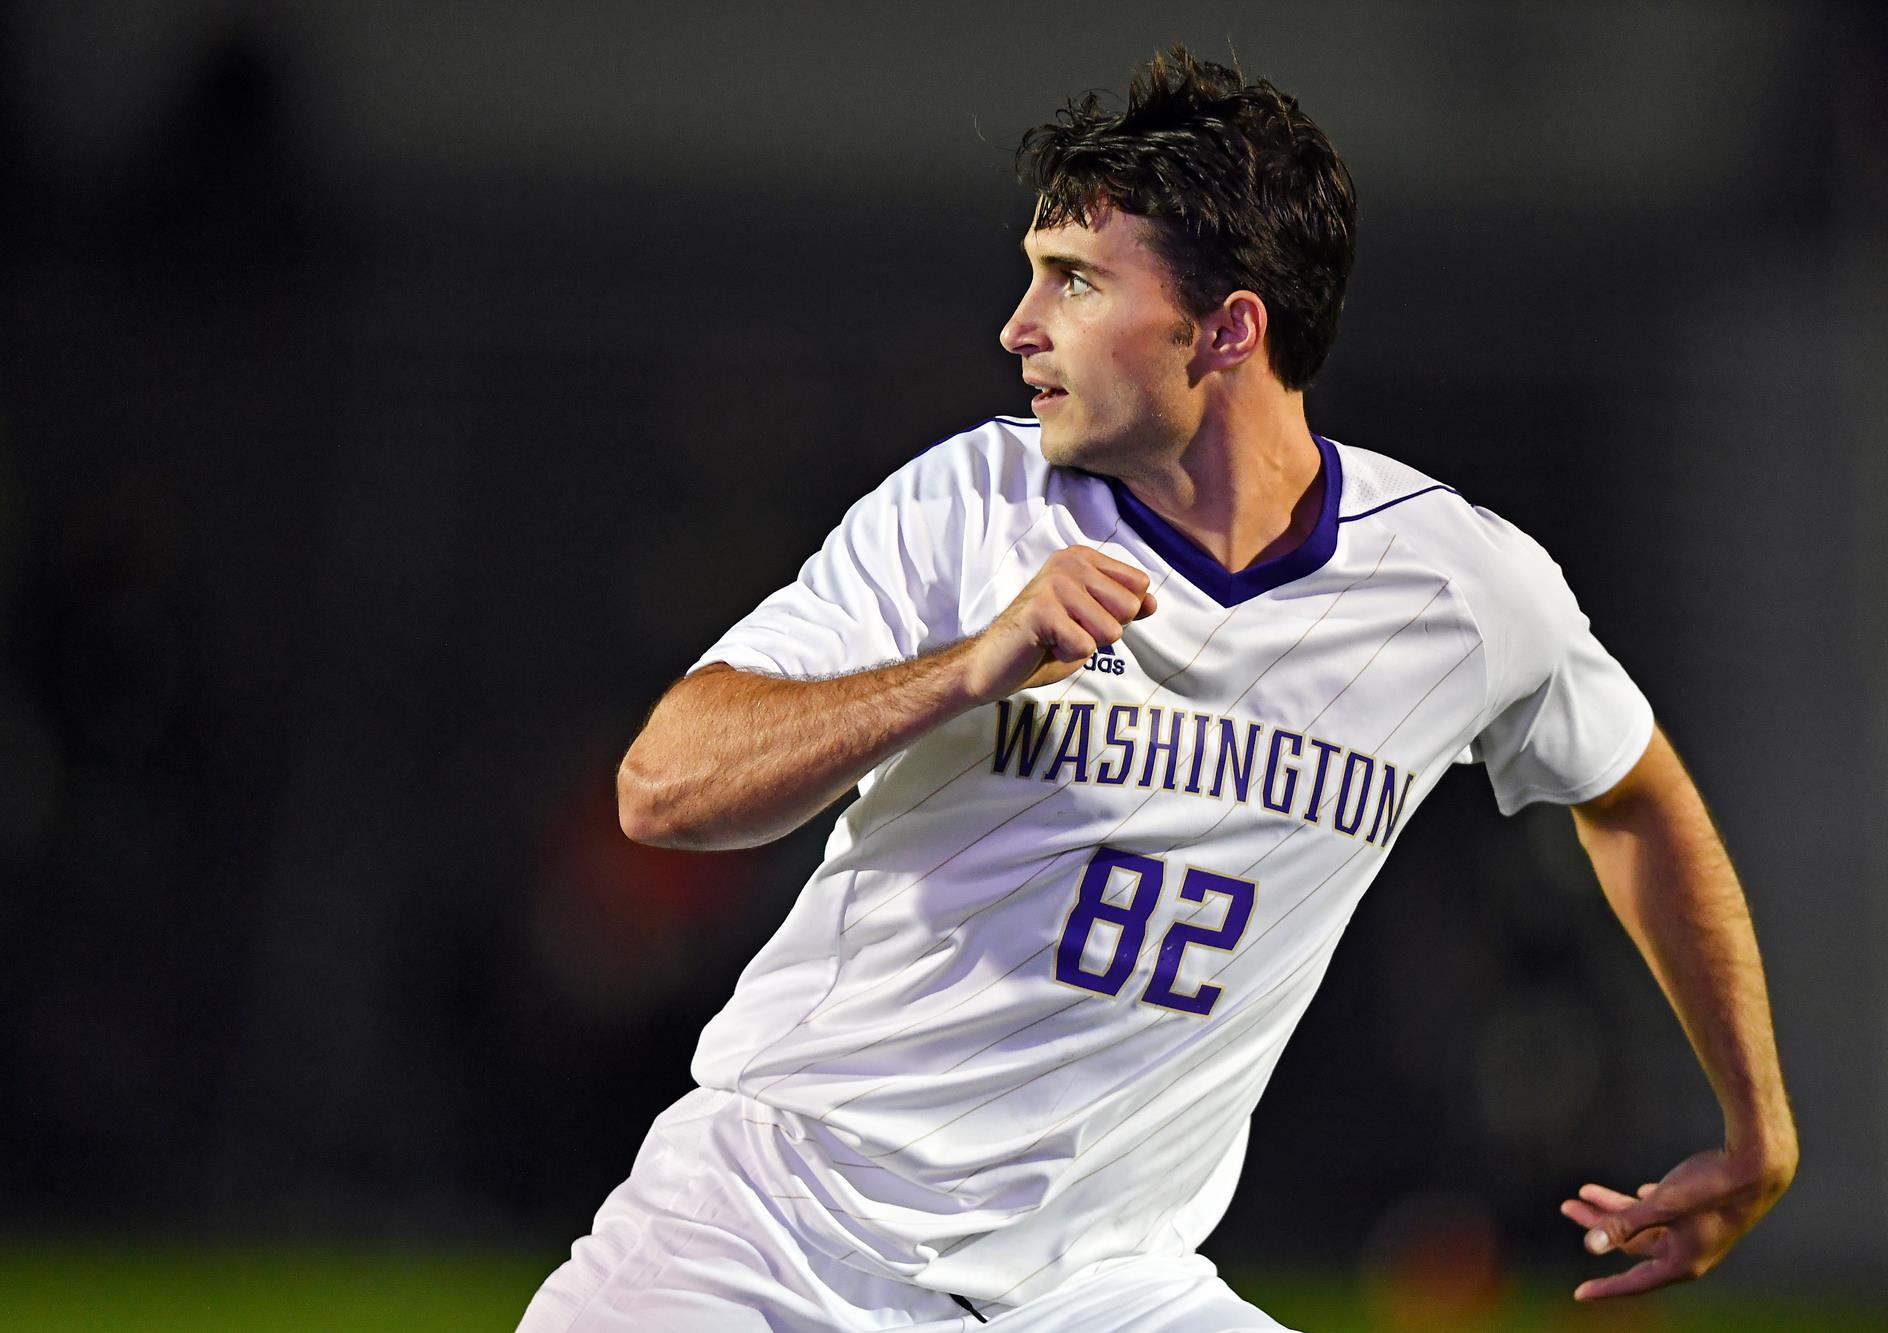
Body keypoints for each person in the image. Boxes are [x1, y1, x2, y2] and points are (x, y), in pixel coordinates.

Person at [519, 46, 1796, 1332]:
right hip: (780, 1228)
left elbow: (1632, 794)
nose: (1016, 327)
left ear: (1228, 327)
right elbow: (663, 789)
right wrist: (961, 673)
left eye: (1071, 282)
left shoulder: (1461, 587)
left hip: (1102, 1285)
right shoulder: (968, 504)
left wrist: (1755, 1123)